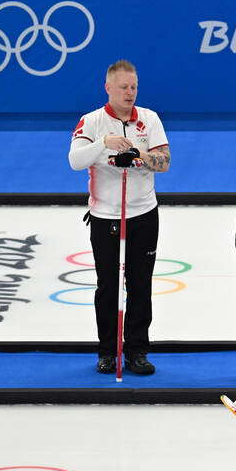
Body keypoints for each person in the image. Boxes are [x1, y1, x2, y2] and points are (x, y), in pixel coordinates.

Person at [68, 59, 170, 375]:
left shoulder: (149, 119)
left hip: (142, 214)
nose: (130, 93)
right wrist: (104, 143)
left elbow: (164, 162)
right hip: (105, 216)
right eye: (124, 87)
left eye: (134, 87)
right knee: (107, 286)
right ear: (108, 88)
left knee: (140, 285)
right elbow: (74, 160)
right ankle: (108, 352)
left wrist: (138, 154)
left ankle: (137, 351)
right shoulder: (92, 121)